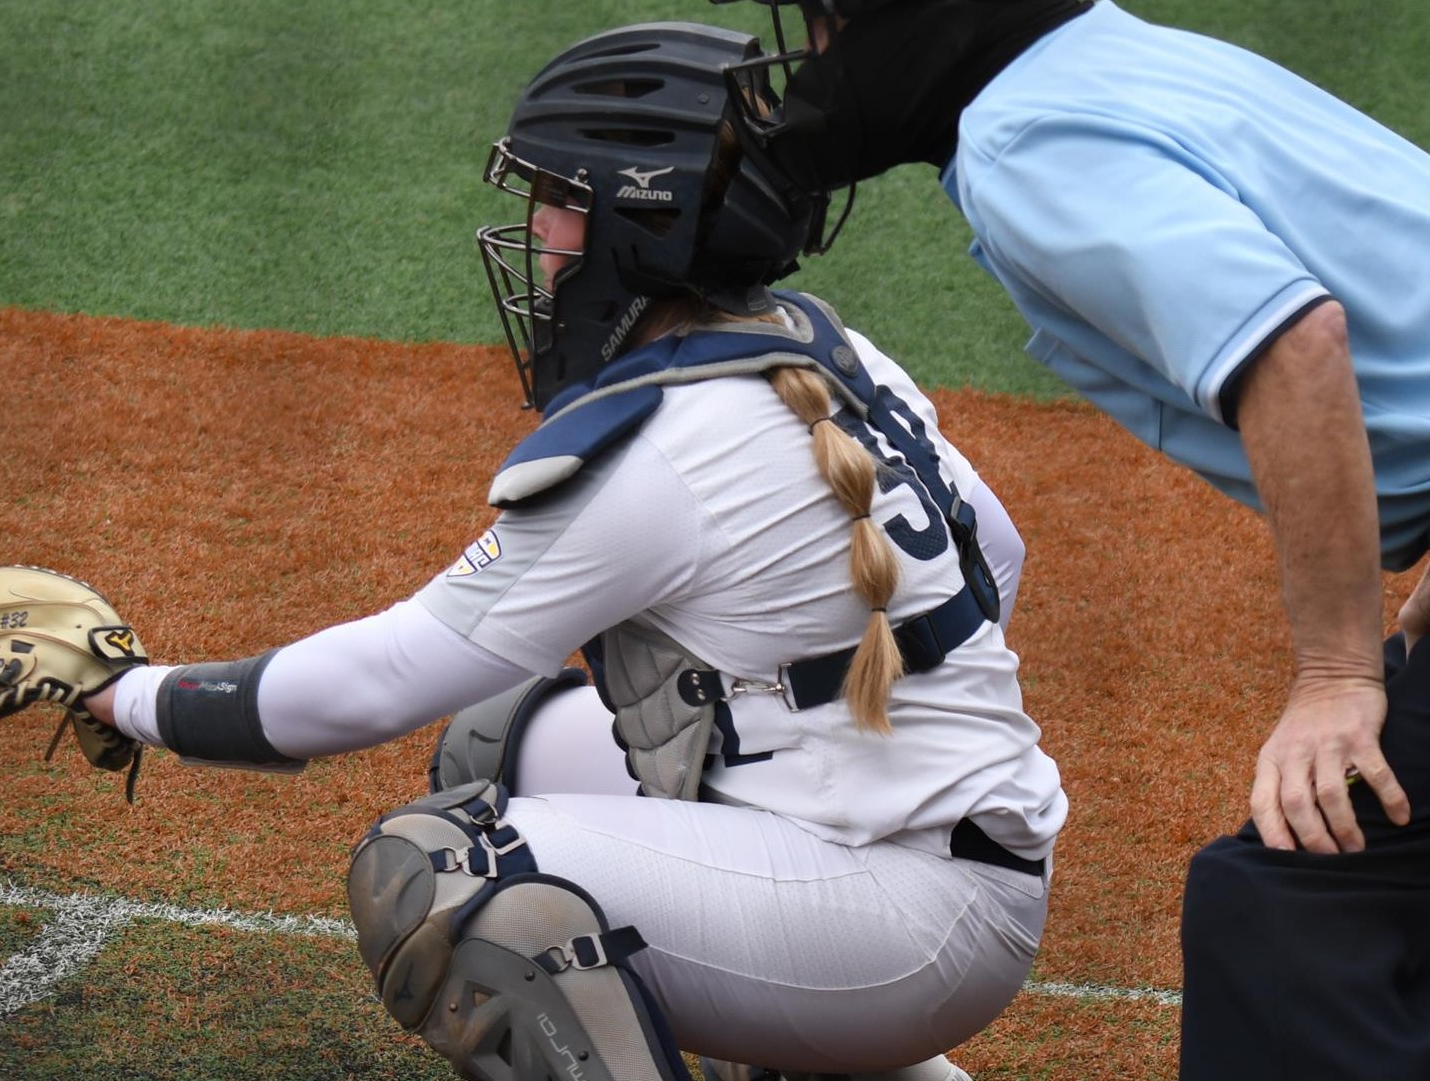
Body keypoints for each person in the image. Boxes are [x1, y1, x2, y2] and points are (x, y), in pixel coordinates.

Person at [80, 22, 1062, 1081]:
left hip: (902, 926)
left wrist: (131, 695)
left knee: (446, 877)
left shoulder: (661, 446)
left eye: (556, 199)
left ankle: (820, 1012)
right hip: (966, 864)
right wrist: (831, 736)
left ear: (637, 225)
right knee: (498, 747)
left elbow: (383, 678)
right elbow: (992, 554)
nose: (535, 231)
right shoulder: (828, 349)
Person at [705, 0, 1430, 1075]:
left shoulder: (1020, 138)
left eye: (827, 23)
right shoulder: (1122, 53)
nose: (817, 57)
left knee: (1286, 914)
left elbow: (1294, 340)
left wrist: (1336, 675)